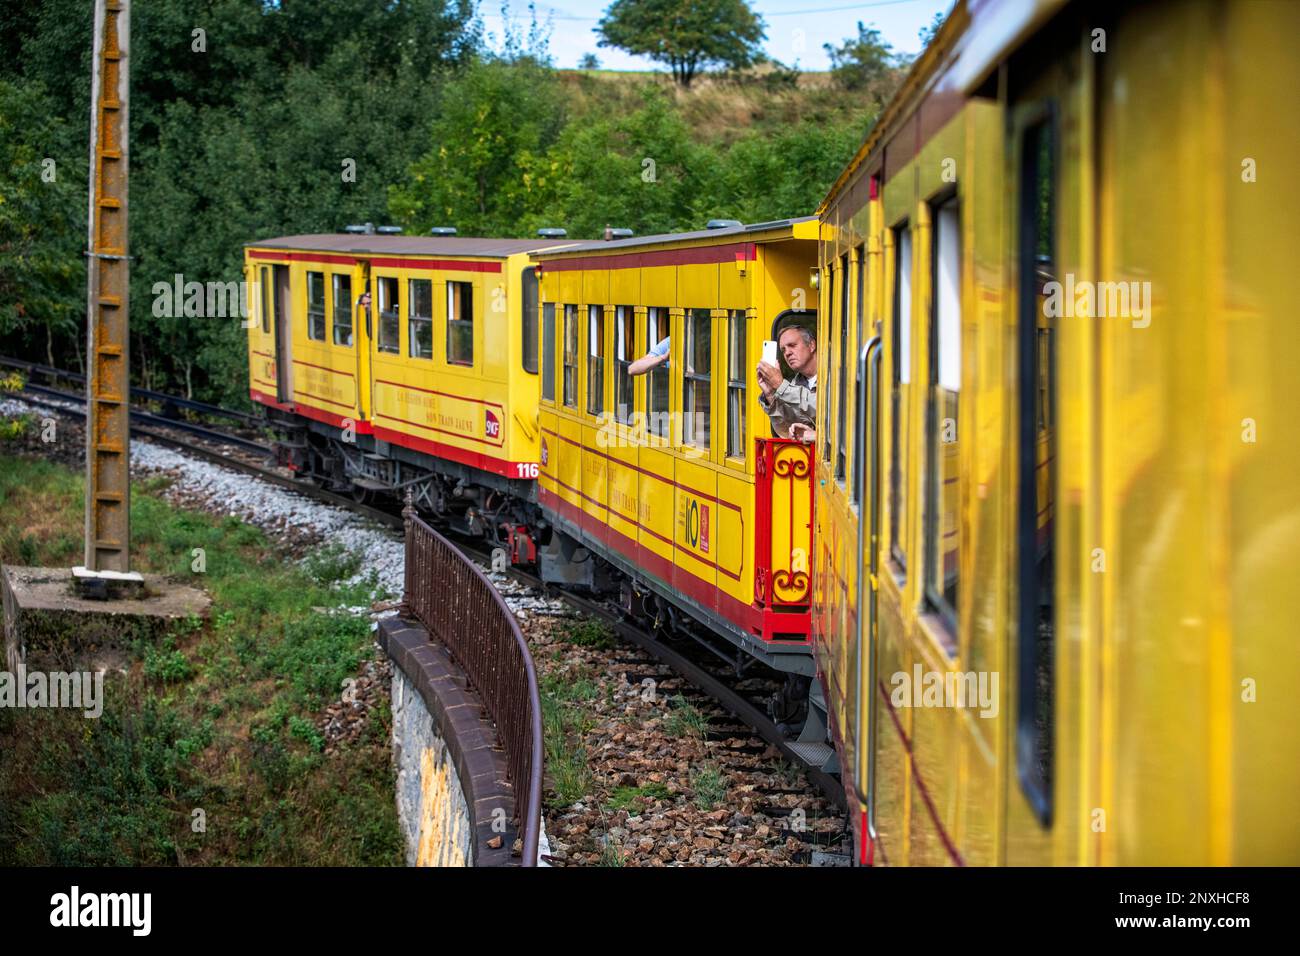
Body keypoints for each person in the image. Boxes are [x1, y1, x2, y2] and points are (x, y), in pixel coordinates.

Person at [757, 325, 817, 443]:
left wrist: (781, 386)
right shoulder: (796, 383)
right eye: (783, 350)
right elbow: (784, 432)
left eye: (792, 345)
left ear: (811, 345)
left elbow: (826, 410)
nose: (787, 353)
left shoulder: (836, 376)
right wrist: (770, 395)